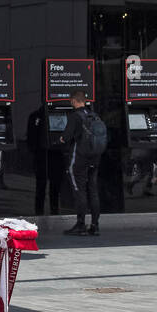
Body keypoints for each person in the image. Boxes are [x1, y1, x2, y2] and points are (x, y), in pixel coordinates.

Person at [61, 89, 101, 236]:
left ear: (73, 101)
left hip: (79, 159)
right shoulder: (94, 115)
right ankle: (95, 225)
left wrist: (61, 139)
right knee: (93, 190)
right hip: (94, 158)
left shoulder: (75, 116)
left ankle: (81, 225)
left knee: (79, 191)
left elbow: (65, 137)